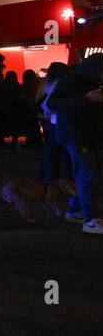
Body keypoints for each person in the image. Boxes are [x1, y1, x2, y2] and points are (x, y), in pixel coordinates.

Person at [44, 53, 103, 235]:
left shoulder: (91, 82)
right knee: (87, 175)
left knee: (91, 174)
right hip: (75, 135)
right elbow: (52, 103)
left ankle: (76, 210)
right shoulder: (70, 82)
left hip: (91, 135)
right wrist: (85, 99)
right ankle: (90, 219)